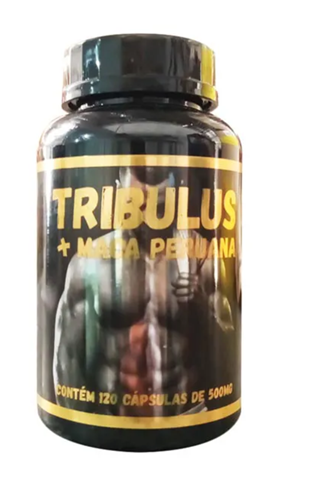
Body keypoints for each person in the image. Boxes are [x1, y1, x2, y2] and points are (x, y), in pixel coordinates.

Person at [53, 166, 234, 416]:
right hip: (111, 417)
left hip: (188, 415)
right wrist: (80, 423)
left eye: (158, 207)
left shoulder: (204, 260)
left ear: (175, 194)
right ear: (119, 191)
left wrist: (202, 309)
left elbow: (231, 356)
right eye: (138, 203)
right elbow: (68, 358)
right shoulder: (89, 263)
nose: (147, 216)